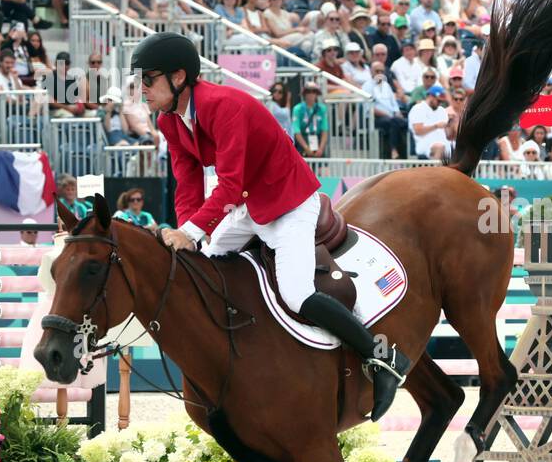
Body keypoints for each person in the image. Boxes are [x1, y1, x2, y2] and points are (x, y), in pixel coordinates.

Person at [130, 31, 408, 419]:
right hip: (246, 207)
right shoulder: (170, 120)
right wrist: (187, 234)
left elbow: (228, 182)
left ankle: (383, 360)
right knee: (206, 268)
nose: (141, 88)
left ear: (178, 78)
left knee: (296, 293)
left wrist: (191, 231)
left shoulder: (223, 105)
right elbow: (188, 184)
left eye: (148, 79)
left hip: (289, 202)